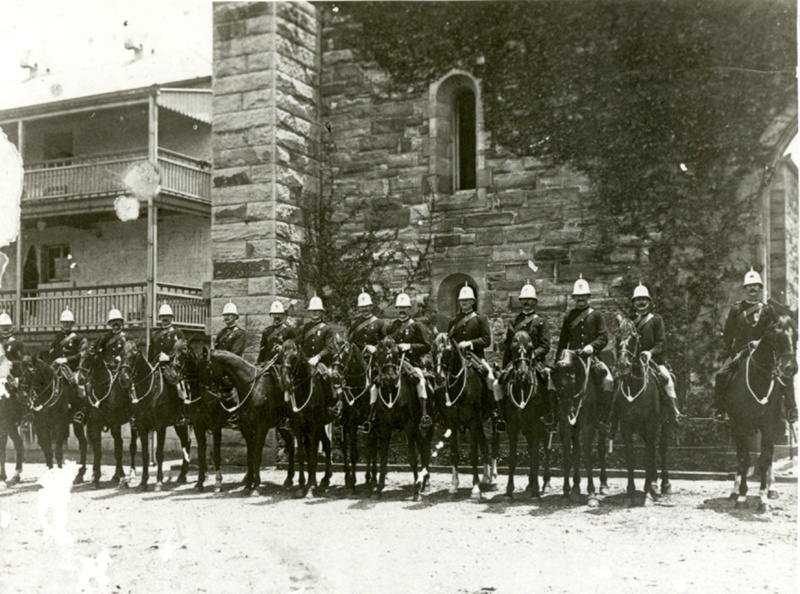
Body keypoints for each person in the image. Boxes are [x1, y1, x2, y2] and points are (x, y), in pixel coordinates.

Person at [713, 269, 796, 422]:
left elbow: (776, 330)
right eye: (749, 286)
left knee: (785, 376)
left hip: (763, 353)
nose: (752, 289)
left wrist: (762, 342)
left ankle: (792, 409)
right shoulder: (736, 309)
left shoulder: (768, 309)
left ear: (760, 288)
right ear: (745, 289)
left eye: (756, 286)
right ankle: (720, 409)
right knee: (721, 375)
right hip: (740, 352)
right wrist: (728, 352)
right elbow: (728, 333)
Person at [362, 292, 432, 432]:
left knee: (421, 382)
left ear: (409, 308)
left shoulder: (417, 326)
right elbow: (384, 344)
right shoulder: (391, 327)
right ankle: (371, 418)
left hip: (412, 363)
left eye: (405, 307)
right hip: (392, 364)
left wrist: (410, 346)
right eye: (399, 307)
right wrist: (374, 348)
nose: (402, 310)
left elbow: (427, 346)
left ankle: (424, 415)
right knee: (375, 385)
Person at [555, 276, 614, 428]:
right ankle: (554, 416)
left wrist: (592, 347)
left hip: (591, 357)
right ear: (574, 297)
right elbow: (563, 341)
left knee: (608, 381)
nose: (580, 298)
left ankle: (603, 418)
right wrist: (558, 361)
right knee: (553, 381)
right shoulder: (569, 315)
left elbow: (604, 337)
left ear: (588, 297)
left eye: (583, 296)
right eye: (578, 296)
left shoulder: (596, 314)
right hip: (571, 357)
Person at [494, 283, 552, 425]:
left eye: (529, 299)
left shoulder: (541, 321)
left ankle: (549, 415)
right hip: (516, 361)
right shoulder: (514, 322)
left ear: (535, 302)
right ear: (520, 302)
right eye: (523, 299)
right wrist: (505, 368)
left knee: (550, 380)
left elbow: (545, 345)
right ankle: (501, 416)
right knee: (497, 383)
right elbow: (509, 347)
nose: (526, 302)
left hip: (535, 361)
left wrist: (533, 355)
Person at [447, 283, 501, 428]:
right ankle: (443, 412)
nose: (464, 303)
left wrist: (469, 343)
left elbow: (486, 340)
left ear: (473, 301)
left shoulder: (480, 319)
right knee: (443, 378)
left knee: (490, 378)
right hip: (457, 359)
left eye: (467, 300)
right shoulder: (454, 321)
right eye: (461, 301)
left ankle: (493, 410)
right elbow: (449, 340)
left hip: (475, 357)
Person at [629, 283, 682, 424]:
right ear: (634, 302)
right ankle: (613, 420)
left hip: (654, 361)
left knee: (668, 382)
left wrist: (650, 353)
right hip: (633, 363)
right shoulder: (630, 322)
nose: (641, 302)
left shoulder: (656, 319)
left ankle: (675, 413)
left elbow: (661, 343)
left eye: (644, 299)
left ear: (649, 302)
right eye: (638, 299)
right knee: (619, 382)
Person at [344, 291, 385, 416]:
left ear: (371, 306)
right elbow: (347, 338)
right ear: (359, 308)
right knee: (343, 379)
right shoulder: (355, 323)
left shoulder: (379, 323)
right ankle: (343, 409)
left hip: (373, 360)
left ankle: (376, 412)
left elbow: (386, 341)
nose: (364, 309)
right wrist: (347, 346)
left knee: (378, 383)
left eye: (366, 306)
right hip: (357, 360)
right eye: (362, 307)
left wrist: (376, 347)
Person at [296, 295, 337, 414]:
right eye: (312, 311)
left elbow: (329, 347)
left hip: (321, 362)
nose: (315, 313)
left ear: (322, 312)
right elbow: (297, 343)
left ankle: (329, 406)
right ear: (309, 312)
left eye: (317, 311)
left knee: (326, 378)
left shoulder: (327, 329)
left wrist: (318, 357)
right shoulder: (304, 328)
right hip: (305, 361)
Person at [149, 303, 187, 425]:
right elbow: (151, 352)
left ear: (172, 317)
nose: (165, 319)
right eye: (162, 316)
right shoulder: (155, 334)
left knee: (176, 386)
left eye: (167, 316)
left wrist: (169, 358)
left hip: (172, 367)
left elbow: (182, 352)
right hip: (156, 366)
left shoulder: (178, 333)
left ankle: (181, 414)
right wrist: (151, 364)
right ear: (159, 318)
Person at [49, 308, 89, 424]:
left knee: (79, 386)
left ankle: (80, 411)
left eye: (69, 323)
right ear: (60, 324)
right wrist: (55, 361)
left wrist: (66, 359)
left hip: (73, 369)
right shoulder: (56, 338)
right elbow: (52, 355)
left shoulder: (79, 338)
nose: (66, 325)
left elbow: (82, 354)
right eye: (64, 322)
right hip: (58, 369)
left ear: (72, 324)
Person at [0, 311, 24, 392]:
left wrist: (12, 363)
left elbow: (25, 360)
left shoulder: (17, 343)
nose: (5, 330)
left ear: (11, 328)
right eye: (3, 328)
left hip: (13, 375)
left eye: (8, 327)